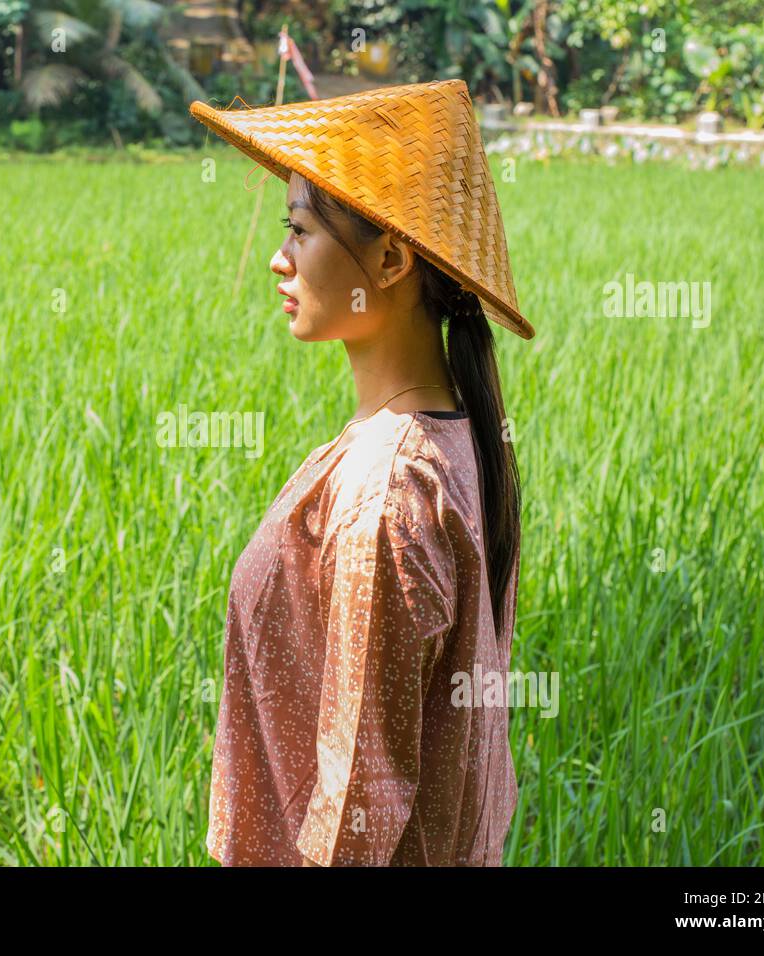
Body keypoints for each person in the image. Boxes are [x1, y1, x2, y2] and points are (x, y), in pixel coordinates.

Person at [189, 80, 535, 866]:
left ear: (389, 259)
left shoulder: (387, 493)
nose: (279, 259)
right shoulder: (449, 443)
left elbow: (357, 810)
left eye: (302, 231)